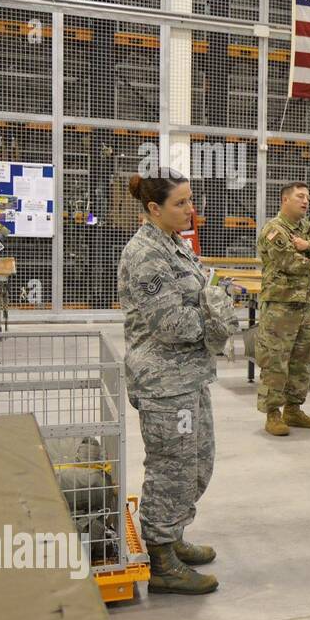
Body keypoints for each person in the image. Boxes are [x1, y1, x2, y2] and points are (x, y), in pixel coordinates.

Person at [118, 169, 236, 595]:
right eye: (181, 203)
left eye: (191, 200)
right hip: (164, 382)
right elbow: (173, 324)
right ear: (154, 209)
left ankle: (174, 534)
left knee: (198, 462)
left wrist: (214, 298)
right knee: (172, 467)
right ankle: (162, 559)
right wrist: (218, 314)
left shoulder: (173, 244)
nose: (191, 210)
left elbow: (200, 292)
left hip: (189, 376)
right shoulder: (145, 254)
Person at [255, 182, 310, 436]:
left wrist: (309, 246)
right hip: (281, 306)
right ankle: (273, 414)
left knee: (302, 360)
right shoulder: (274, 229)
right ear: (285, 200)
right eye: (300, 197)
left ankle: (293, 409)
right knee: (276, 360)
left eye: (308, 197)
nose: (305, 201)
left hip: (308, 304)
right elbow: (288, 262)